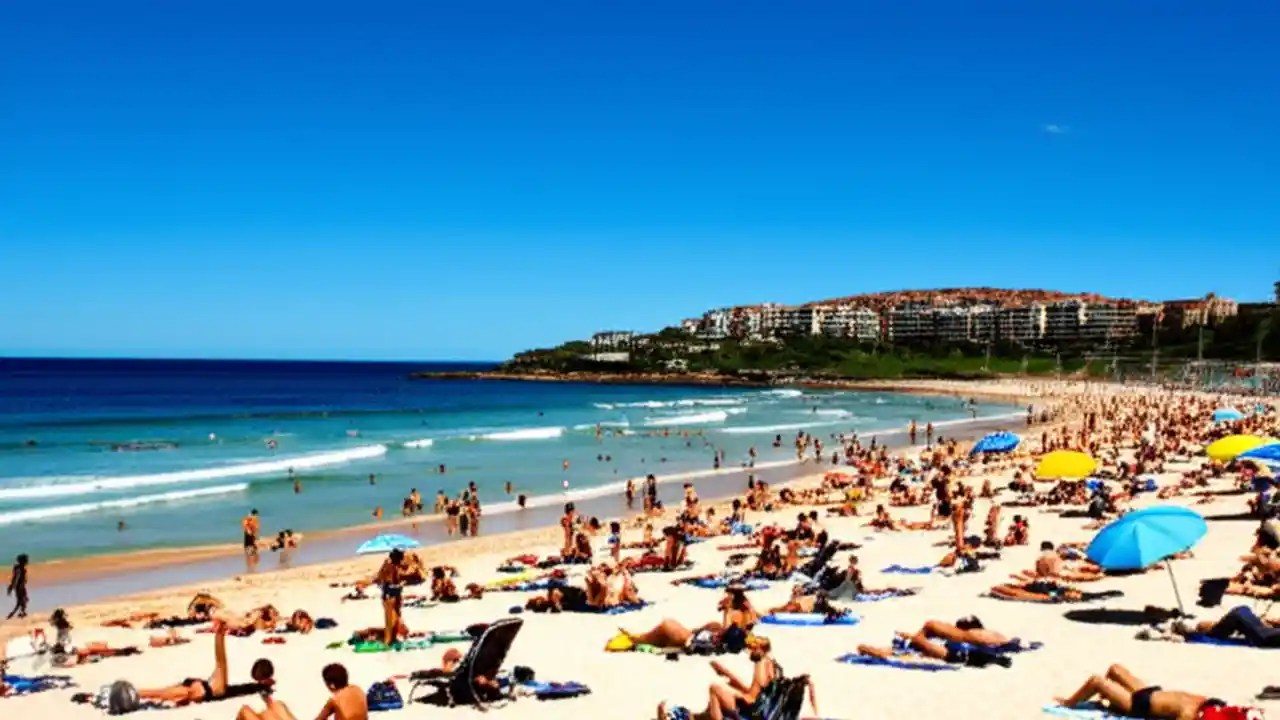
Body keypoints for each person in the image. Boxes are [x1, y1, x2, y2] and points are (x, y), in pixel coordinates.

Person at [139, 621, 274, 704]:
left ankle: (139, 693)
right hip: (212, 689)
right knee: (163, 693)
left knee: (163, 692)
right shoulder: (262, 685)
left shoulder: (260, 686)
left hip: (208, 687)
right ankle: (139, 693)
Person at [1055, 664, 1229, 719]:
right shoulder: (1205, 703)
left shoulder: (1189, 713)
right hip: (1152, 692)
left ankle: (1069, 702)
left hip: (1140, 705)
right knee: (1115, 669)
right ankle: (1110, 703)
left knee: (1096, 681)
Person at [375, 550, 408, 646]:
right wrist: (400, 585)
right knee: (391, 622)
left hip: (392, 596)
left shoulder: (389, 566)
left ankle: (392, 639)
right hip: (391, 597)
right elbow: (389, 584)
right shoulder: (390, 567)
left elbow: (380, 580)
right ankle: (387, 642)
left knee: (395, 620)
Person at [7, 554, 29, 619]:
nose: (27, 562)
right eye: (26, 561)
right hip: (20, 587)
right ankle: (12, 614)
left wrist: (11, 586)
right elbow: (17, 578)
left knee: (24, 600)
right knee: (20, 601)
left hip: (19, 587)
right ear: (24, 562)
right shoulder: (22, 569)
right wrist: (13, 586)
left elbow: (14, 577)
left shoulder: (17, 568)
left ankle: (22, 612)